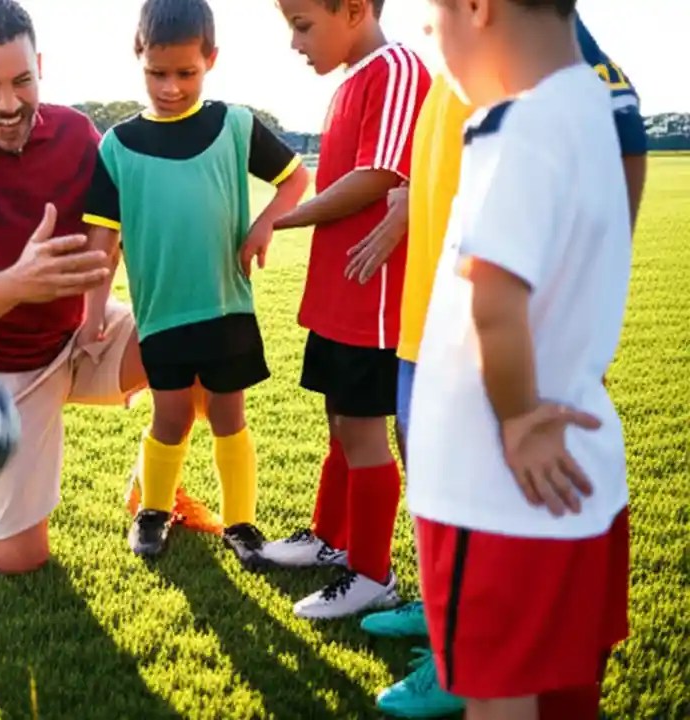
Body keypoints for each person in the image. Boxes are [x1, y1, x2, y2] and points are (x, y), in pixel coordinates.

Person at [353, 11, 648, 717]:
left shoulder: (515, 129)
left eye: (434, 19)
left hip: (498, 486)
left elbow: (494, 303)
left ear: (477, 8)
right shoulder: (602, 107)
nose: (432, 39)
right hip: (580, 477)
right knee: (564, 692)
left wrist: (516, 421)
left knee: (498, 698)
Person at [0, 0, 218, 576]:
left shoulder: (74, 133)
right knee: (21, 557)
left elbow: (108, 230)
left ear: (40, 66)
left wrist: (101, 288)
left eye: (22, 81)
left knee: (204, 344)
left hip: (80, 335)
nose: (10, 104)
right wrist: (17, 284)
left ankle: (153, 493)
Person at [81, 0, 310, 568]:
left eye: (187, 72)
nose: (172, 86)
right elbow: (102, 244)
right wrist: (90, 315)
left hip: (227, 307)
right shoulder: (118, 147)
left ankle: (242, 525)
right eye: (158, 73)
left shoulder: (235, 125)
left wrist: (264, 224)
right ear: (139, 57)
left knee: (230, 416)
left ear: (211, 59)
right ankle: (153, 510)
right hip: (161, 315)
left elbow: (295, 178)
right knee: (172, 416)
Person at [265, 0, 430, 619]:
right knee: (341, 423)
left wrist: (286, 218)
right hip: (342, 291)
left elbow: (381, 176)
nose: (295, 44)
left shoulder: (397, 68)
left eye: (302, 26)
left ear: (356, 10)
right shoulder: (352, 81)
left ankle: (371, 572)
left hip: (375, 295)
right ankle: (330, 540)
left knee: (364, 433)